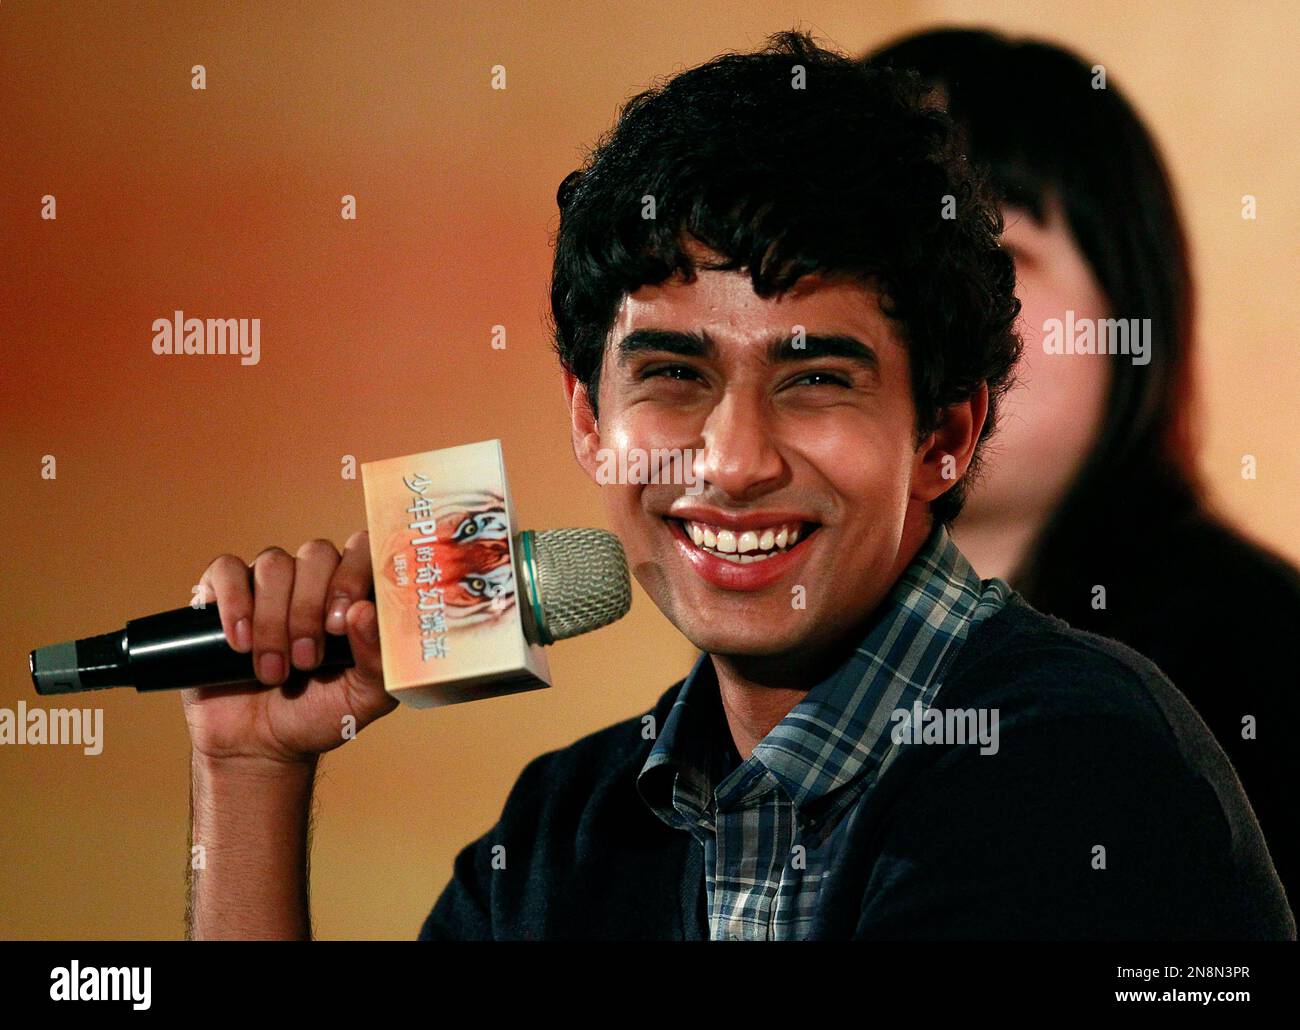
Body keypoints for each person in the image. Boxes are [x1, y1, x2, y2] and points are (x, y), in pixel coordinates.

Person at [183, 32, 1293, 940]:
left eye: (815, 380)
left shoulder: (1072, 763)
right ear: (587, 417)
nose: (733, 459)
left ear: (948, 435)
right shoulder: (566, 825)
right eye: (672, 374)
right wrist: (248, 775)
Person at [867, 28, 1300, 909]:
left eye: (994, 261)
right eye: (866, 263)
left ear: (1131, 313)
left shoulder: (1265, 659)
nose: (918, 319)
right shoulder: (770, 653)